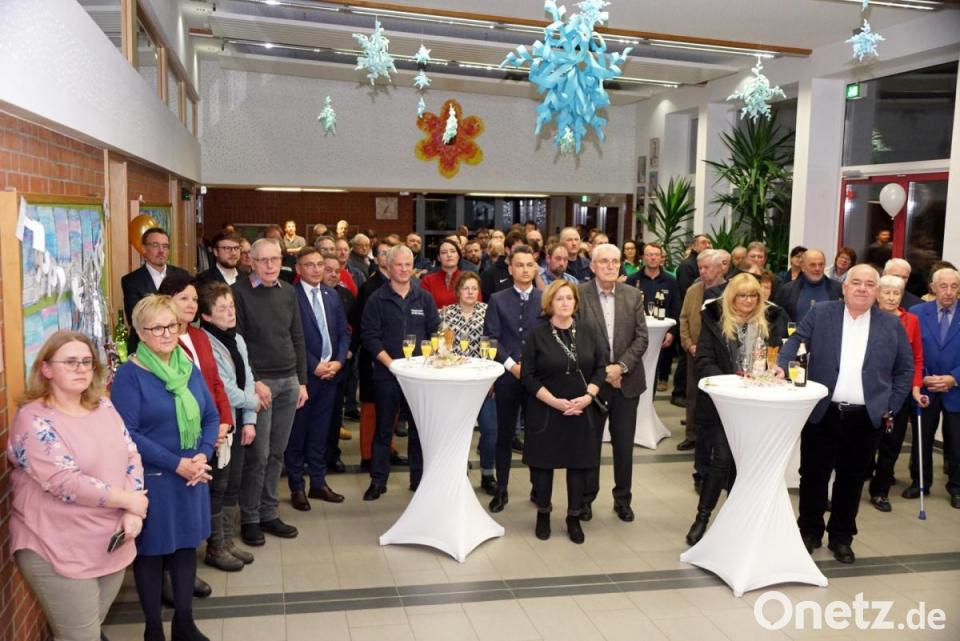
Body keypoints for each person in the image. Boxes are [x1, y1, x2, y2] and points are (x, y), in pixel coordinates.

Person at [9, 331, 146, 641]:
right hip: (56, 546)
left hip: (111, 540)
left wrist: (133, 509)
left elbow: (131, 454)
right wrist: (129, 500)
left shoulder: (103, 406)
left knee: (86, 631)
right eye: (70, 362)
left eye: (86, 361)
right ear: (45, 369)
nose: (82, 369)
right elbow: (64, 482)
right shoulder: (33, 419)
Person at [778, 264, 913, 564]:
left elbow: (905, 368)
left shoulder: (890, 325)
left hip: (865, 417)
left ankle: (841, 537)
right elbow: (795, 342)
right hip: (822, 410)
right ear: (844, 287)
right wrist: (781, 366)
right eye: (857, 283)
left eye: (869, 284)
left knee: (851, 480)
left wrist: (890, 403)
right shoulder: (822, 313)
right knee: (813, 475)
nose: (863, 288)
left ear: (876, 292)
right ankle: (809, 531)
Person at [111, 296, 220, 641]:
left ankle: (184, 624)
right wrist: (178, 464)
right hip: (156, 478)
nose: (166, 333)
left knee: (187, 548)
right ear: (140, 333)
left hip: (193, 475)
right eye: (156, 327)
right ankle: (154, 630)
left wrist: (202, 455)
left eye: (171, 325)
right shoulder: (130, 375)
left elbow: (212, 415)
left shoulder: (187, 366)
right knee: (153, 553)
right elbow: (129, 434)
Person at [685, 274, 789, 546]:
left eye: (753, 295)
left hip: (756, 405)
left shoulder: (771, 320)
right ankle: (702, 518)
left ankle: (733, 520)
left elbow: (776, 357)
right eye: (742, 295)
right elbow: (704, 360)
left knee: (743, 465)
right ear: (731, 297)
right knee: (720, 460)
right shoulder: (714, 319)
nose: (748, 301)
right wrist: (730, 383)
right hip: (723, 403)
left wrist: (775, 371)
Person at [157, 274, 236, 574]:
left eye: (193, 298)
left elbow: (214, 382)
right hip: (185, 435)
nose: (191, 304)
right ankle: (172, 575)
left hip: (213, 428)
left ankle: (215, 548)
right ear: (165, 301)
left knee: (216, 489)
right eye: (183, 299)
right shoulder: (162, 341)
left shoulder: (200, 336)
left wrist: (224, 421)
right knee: (180, 503)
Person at [232, 238, 308, 546]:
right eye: (263, 260)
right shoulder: (238, 293)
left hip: (289, 381)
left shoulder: (288, 291)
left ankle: (268, 512)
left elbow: (298, 337)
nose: (270, 265)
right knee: (258, 456)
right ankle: (250, 517)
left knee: (277, 453)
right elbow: (235, 344)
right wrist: (252, 382)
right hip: (259, 385)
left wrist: (302, 381)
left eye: (275, 259)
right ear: (251, 260)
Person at [521, 280, 606, 543]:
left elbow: (601, 367)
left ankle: (573, 517)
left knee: (579, 464)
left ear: (576, 303)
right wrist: (555, 402)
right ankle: (543, 514)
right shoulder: (537, 334)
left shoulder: (589, 331)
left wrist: (588, 396)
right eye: (559, 299)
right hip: (547, 409)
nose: (565, 303)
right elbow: (528, 375)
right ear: (549, 303)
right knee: (544, 465)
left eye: (569, 298)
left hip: (582, 408)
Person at [361, 245, 439, 500]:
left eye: (408, 265)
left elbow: (435, 333)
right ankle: (378, 481)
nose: (404, 269)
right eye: (399, 265)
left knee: (418, 429)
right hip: (388, 375)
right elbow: (370, 338)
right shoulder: (377, 299)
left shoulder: (424, 298)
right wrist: (391, 363)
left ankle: (418, 480)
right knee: (384, 429)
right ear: (388, 266)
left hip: (419, 377)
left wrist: (429, 359)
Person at [577, 244, 648, 522]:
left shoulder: (633, 295)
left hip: (626, 383)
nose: (610, 266)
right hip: (592, 385)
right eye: (604, 261)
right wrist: (603, 371)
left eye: (615, 261)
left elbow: (642, 338)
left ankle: (623, 500)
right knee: (589, 444)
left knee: (623, 445)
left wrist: (620, 367)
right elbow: (576, 338)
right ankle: (586, 499)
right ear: (593, 266)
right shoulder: (579, 296)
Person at [199, 282, 259, 568]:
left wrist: (250, 419)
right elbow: (224, 388)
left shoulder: (238, 339)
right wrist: (255, 402)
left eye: (231, 306)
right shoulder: (205, 342)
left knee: (234, 483)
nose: (229, 312)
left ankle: (226, 540)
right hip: (221, 424)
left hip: (239, 419)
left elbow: (246, 376)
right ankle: (215, 547)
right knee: (219, 487)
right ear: (207, 316)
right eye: (221, 308)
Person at [286, 248, 350, 511]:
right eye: (309, 265)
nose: (316, 269)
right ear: (299, 268)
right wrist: (314, 365)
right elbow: (289, 337)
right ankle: (297, 487)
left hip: (331, 376)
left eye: (320, 264)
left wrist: (339, 361)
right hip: (305, 376)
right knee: (298, 434)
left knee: (321, 433)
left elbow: (344, 332)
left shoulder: (331, 294)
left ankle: (318, 482)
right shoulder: (290, 296)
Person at [483, 245, 544, 512]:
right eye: (519, 265)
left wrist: (530, 368)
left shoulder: (545, 298)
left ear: (535, 268)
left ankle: (537, 487)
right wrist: (510, 365)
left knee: (536, 435)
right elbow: (491, 337)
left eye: (529, 265)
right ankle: (502, 489)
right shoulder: (498, 299)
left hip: (537, 378)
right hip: (507, 377)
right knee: (504, 435)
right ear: (510, 268)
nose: (525, 270)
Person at [867, 275, 926, 512]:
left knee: (892, 445)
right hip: (870, 390)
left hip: (899, 391)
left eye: (897, 293)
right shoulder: (866, 316)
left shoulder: (911, 320)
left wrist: (915, 387)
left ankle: (880, 491)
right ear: (878, 293)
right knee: (866, 441)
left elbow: (917, 357)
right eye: (887, 292)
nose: (891, 297)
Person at [904, 267, 960, 509]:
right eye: (944, 286)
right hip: (924, 387)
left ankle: (957, 487)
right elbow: (910, 352)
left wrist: (953, 378)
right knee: (921, 438)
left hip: (956, 389)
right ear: (933, 287)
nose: (949, 292)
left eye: (954, 286)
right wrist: (924, 378)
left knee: (957, 442)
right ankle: (920, 482)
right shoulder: (916, 313)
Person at [440, 271, 498, 494]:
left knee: (490, 430)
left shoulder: (489, 312)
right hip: (456, 383)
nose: (471, 292)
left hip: (483, 382)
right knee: (458, 431)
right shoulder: (445, 314)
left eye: (475, 288)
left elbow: (493, 345)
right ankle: (458, 471)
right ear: (458, 291)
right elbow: (440, 347)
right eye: (466, 288)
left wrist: (492, 377)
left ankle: (487, 473)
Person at [678, 249, 726, 465]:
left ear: (719, 268)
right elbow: (684, 319)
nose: (704, 272)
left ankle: (715, 440)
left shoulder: (729, 291)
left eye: (708, 267)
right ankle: (692, 435)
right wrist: (689, 344)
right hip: (695, 352)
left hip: (718, 356)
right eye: (701, 268)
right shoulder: (693, 291)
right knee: (692, 395)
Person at [122, 227, 191, 352]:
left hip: (179, 344)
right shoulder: (131, 281)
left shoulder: (183, 276)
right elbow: (135, 318)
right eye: (155, 245)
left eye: (165, 246)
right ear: (143, 249)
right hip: (144, 346)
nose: (161, 250)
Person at [627, 243, 679, 393]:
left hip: (661, 336)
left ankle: (650, 404)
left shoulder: (670, 281)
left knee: (653, 371)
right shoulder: (632, 280)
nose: (653, 258)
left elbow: (676, 308)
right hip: (635, 334)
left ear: (661, 258)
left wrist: (672, 333)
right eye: (649, 254)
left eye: (656, 254)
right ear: (643, 257)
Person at [323, 254, 356, 471]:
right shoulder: (300, 296)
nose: (334, 274)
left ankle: (332, 455)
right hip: (314, 366)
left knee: (335, 414)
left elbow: (352, 328)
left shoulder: (346, 296)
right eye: (329, 269)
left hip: (339, 365)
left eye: (337, 271)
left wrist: (347, 352)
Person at [773, 249, 843, 323]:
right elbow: (779, 319)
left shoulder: (837, 289)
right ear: (803, 267)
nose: (817, 268)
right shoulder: (787, 290)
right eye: (812, 265)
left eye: (821, 264)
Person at [421, 239, 470, 308]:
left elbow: (477, 308)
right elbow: (422, 307)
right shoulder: (428, 280)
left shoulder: (469, 279)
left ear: (459, 256)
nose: (449, 255)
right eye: (444, 252)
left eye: (453, 251)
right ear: (438, 258)